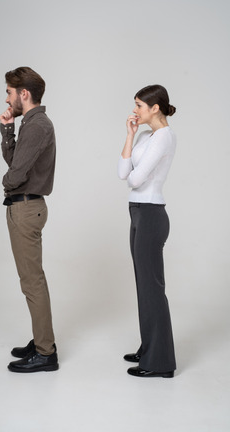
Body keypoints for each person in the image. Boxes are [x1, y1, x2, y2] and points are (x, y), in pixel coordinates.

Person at [0, 66, 58, 373]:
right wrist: (8, 129)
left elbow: (16, 173)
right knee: (33, 280)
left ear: (24, 93)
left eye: (9, 92)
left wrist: (6, 181)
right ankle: (41, 341)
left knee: (31, 282)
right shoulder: (30, 124)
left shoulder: (37, 126)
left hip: (26, 208)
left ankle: (46, 353)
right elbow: (17, 162)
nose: (7, 98)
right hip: (25, 206)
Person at [118, 84, 177, 378]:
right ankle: (149, 347)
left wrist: (131, 174)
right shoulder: (145, 135)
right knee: (144, 286)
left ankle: (160, 363)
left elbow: (135, 179)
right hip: (137, 212)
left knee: (153, 289)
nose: (135, 110)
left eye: (140, 105)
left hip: (152, 215)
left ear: (155, 108)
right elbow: (122, 173)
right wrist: (129, 135)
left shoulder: (165, 137)